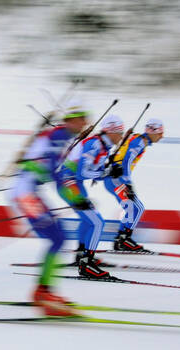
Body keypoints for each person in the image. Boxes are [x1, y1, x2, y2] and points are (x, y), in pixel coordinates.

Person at [7, 106, 89, 316]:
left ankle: (43, 292)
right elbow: (53, 169)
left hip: (28, 191)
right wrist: (75, 199)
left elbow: (48, 168)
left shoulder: (60, 136)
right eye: (81, 120)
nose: (85, 124)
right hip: (25, 193)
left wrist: (76, 198)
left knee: (58, 238)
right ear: (70, 121)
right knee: (58, 239)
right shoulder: (60, 135)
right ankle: (44, 294)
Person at [59, 114, 125, 279]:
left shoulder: (103, 145)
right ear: (111, 131)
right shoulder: (95, 144)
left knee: (88, 220)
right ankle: (87, 264)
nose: (122, 136)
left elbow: (94, 172)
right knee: (97, 222)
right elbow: (83, 172)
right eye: (120, 132)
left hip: (75, 185)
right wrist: (106, 172)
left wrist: (109, 171)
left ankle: (82, 256)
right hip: (69, 185)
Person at [103, 118, 163, 252]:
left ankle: (122, 239)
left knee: (135, 208)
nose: (161, 136)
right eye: (160, 133)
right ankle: (123, 240)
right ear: (152, 131)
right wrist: (127, 183)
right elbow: (126, 162)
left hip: (114, 178)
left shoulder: (139, 140)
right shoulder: (140, 142)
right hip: (116, 179)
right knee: (136, 208)